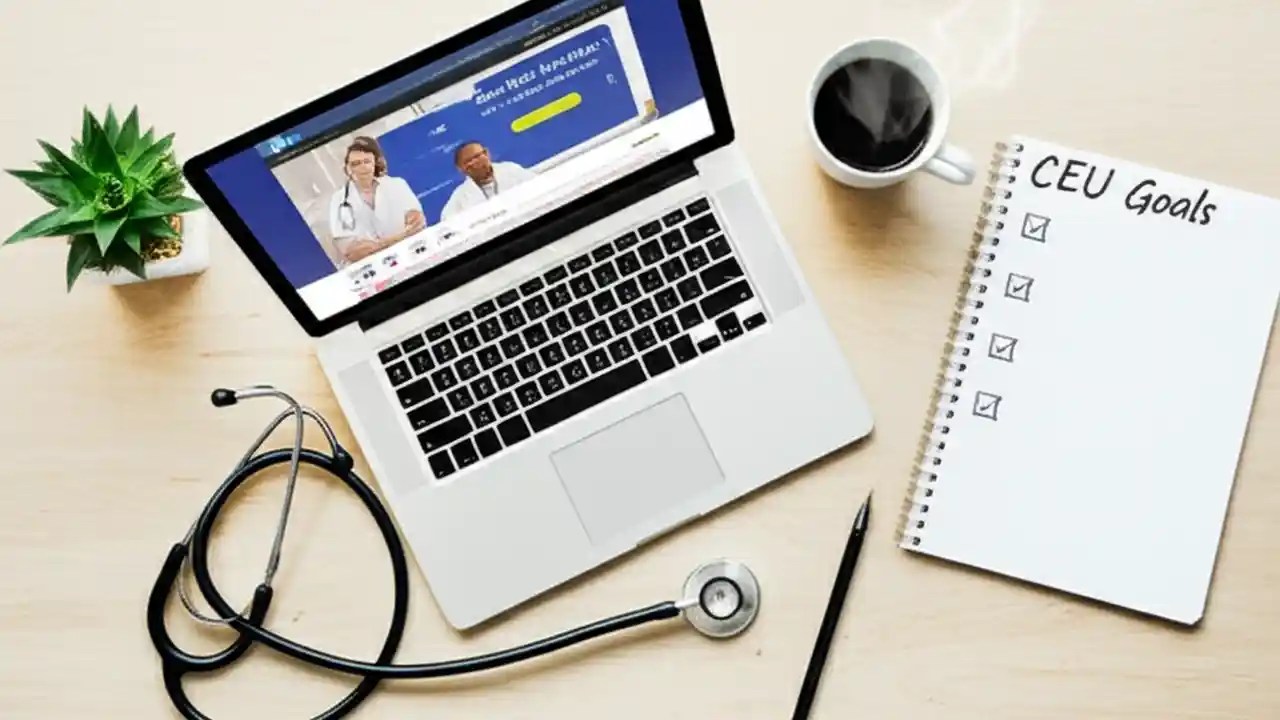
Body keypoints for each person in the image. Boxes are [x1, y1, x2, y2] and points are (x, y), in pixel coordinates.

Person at [328, 136, 426, 265]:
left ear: (375, 162)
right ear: (348, 168)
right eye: (356, 164)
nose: (363, 167)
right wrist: (398, 237)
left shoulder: (397, 184)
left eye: (367, 161)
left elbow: (418, 223)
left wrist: (378, 245)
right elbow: (352, 252)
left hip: (411, 256)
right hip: (371, 267)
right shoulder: (339, 200)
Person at [440, 142, 536, 220]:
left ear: (486, 153)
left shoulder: (511, 170)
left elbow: (538, 188)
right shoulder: (459, 199)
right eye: (468, 161)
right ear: (460, 169)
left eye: (477, 156)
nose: (474, 163)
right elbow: (448, 223)